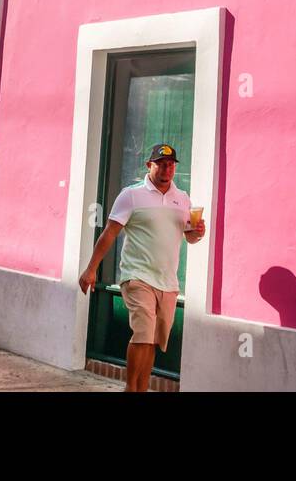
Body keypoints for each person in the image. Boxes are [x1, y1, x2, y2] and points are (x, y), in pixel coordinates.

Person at [79, 144, 206, 391]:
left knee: (152, 341)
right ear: (150, 165)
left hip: (167, 282)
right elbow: (110, 233)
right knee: (143, 333)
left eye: (171, 165)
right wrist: (91, 269)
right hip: (137, 276)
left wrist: (198, 232)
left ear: (175, 167)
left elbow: (189, 237)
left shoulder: (182, 198)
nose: (167, 169)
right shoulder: (131, 195)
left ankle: (141, 387)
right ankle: (131, 388)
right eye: (161, 164)